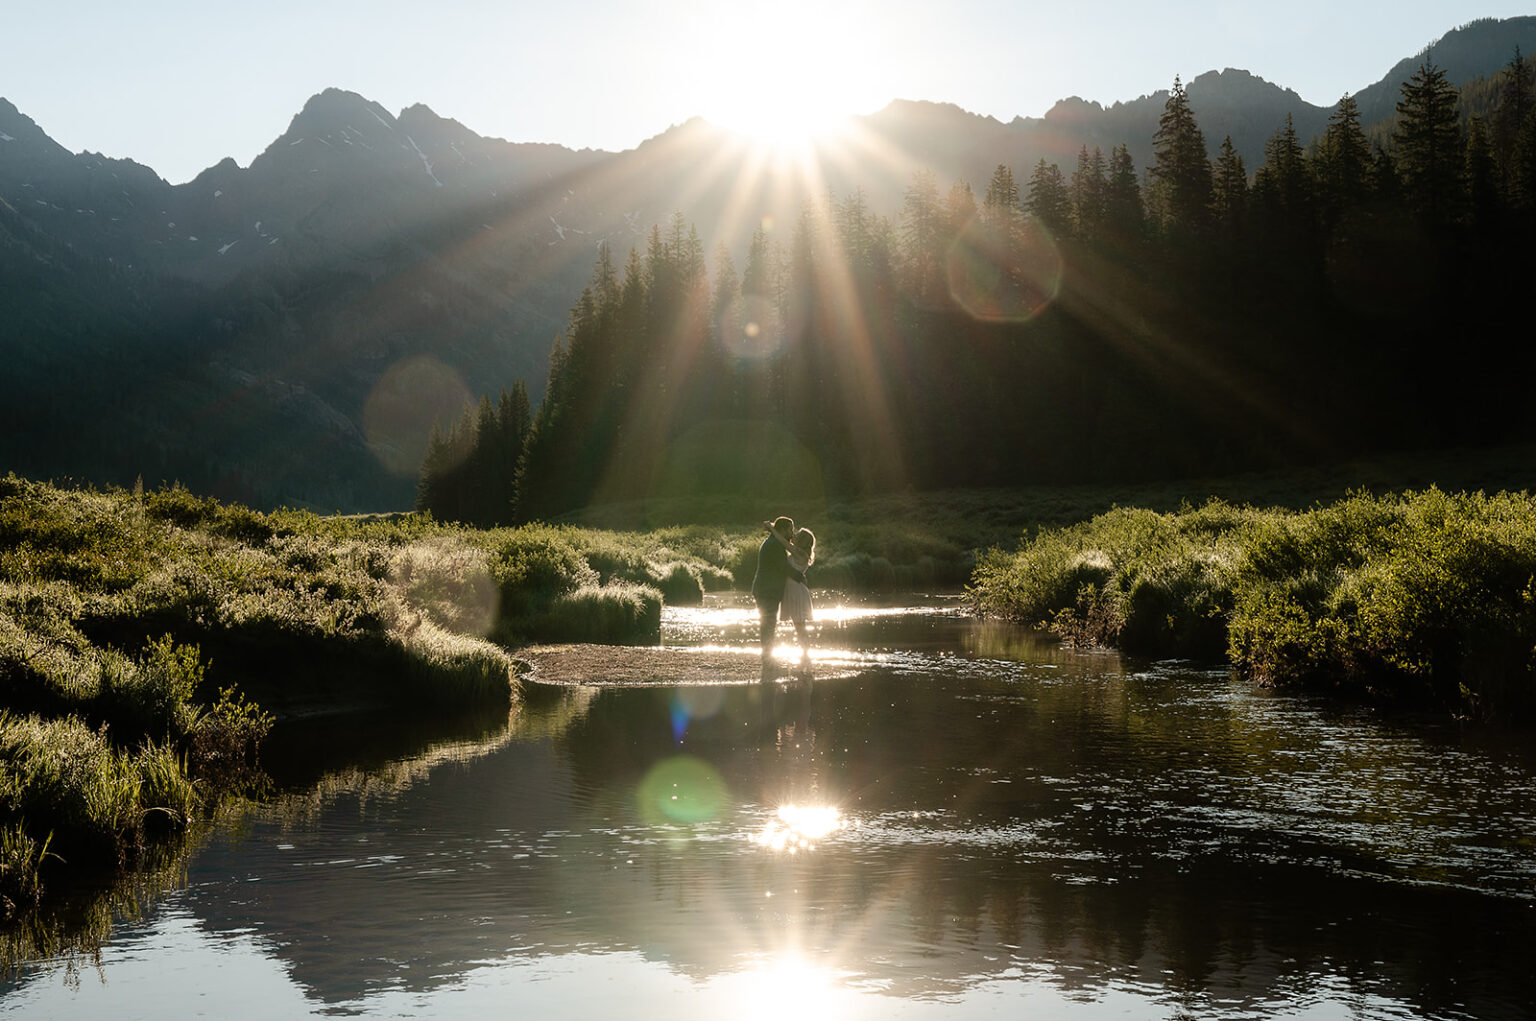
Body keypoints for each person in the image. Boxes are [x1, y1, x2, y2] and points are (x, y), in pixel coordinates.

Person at [751, 516, 795, 676]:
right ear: (782, 530)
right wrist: (801, 577)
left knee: (768, 626)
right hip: (766, 591)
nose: (792, 532)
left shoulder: (773, 543)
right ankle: (769, 663)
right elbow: (784, 568)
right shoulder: (775, 545)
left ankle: (768, 662)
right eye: (790, 529)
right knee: (768, 626)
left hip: (766, 590)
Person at [777, 527, 815, 662]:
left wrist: (771, 528)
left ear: (802, 540)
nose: (794, 534)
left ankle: (805, 654)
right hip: (793, 590)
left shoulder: (800, 553)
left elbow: (783, 542)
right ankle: (804, 653)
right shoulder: (798, 553)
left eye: (797, 534)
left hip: (796, 592)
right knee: (798, 625)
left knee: (800, 626)